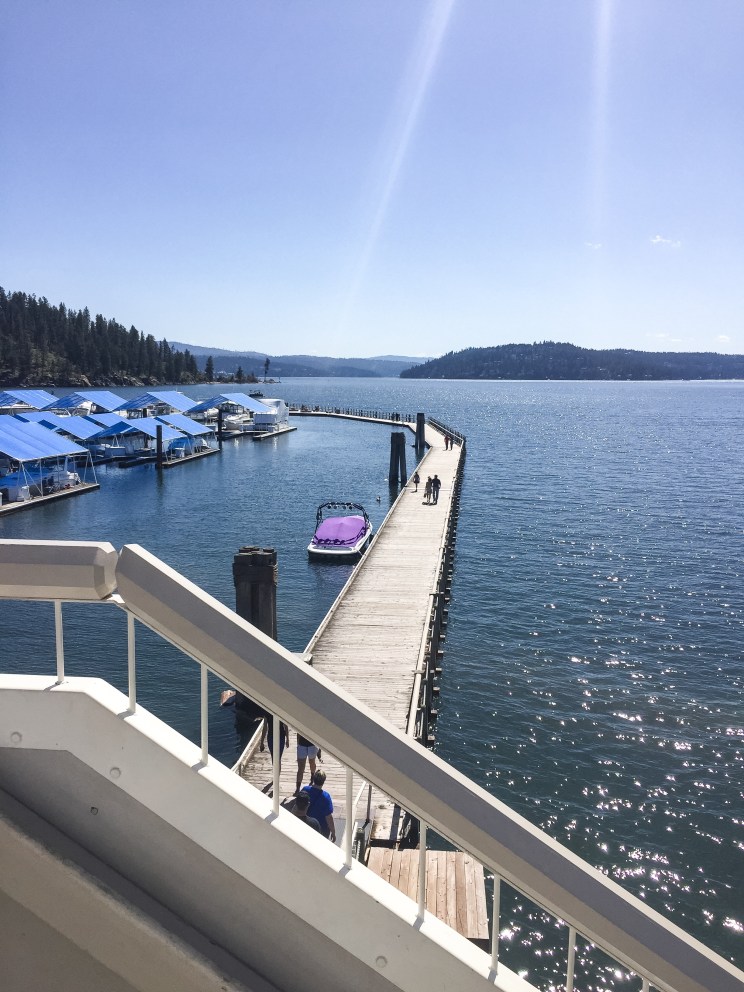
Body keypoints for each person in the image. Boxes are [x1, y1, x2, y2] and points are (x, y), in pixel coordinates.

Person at [302, 769, 336, 841]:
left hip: (305, 825)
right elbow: (329, 817)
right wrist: (333, 832)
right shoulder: (326, 796)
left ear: (313, 779)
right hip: (320, 829)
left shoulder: (305, 790)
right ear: (323, 781)